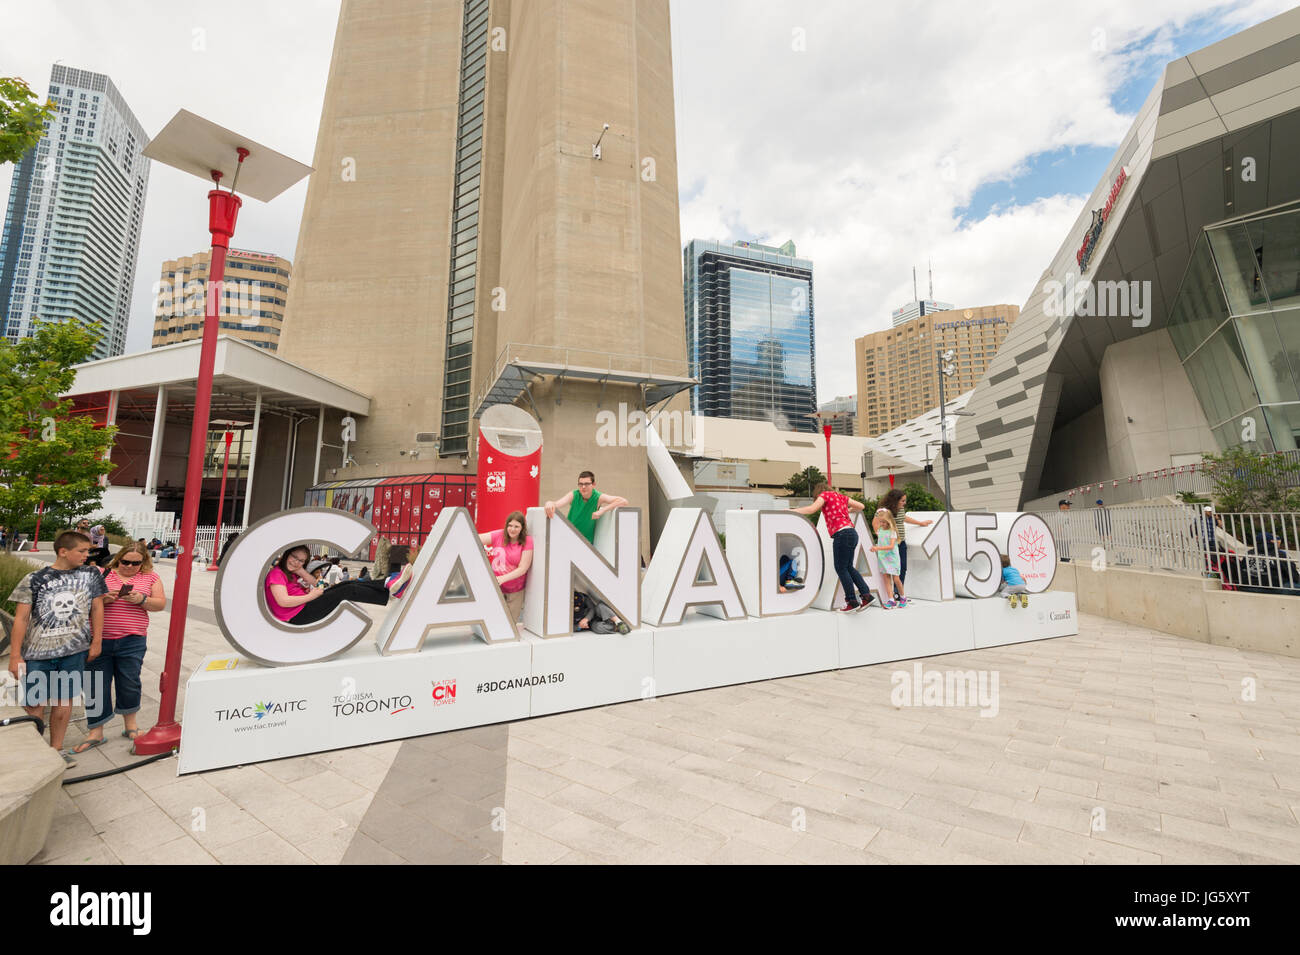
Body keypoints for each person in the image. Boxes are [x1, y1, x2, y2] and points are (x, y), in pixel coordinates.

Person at [6, 530, 107, 767]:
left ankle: (57, 748)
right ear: (63, 551)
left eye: (88, 551)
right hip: (38, 654)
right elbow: (21, 619)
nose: (86, 555)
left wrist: (97, 641)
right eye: (81, 551)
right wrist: (15, 654)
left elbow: (97, 608)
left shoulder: (91, 575)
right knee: (34, 704)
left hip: (73, 651)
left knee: (64, 701)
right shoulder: (33, 579)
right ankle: (36, 753)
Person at [74, 542, 166, 754]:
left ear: (143, 562)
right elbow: (80, 600)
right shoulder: (102, 573)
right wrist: (102, 601)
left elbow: (160, 604)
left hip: (132, 639)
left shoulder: (150, 577)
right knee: (96, 683)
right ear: (119, 558)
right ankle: (96, 731)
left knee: (130, 681)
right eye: (125, 562)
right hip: (99, 638)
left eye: (136, 563)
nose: (130, 566)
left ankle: (130, 726)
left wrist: (142, 599)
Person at [792, 481, 873, 612]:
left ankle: (852, 601)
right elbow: (861, 506)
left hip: (841, 534)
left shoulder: (824, 495)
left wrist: (792, 511)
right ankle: (866, 595)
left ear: (818, 493)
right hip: (852, 532)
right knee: (848, 567)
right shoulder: (840, 497)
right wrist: (848, 510)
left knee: (841, 568)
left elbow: (812, 509)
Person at [264, 545, 392, 626]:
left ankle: (386, 585)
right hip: (298, 615)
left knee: (346, 584)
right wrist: (311, 595)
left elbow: (315, 583)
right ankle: (389, 591)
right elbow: (283, 601)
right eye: (294, 557)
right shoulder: (276, 573)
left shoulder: (291, 573)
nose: (296, 562)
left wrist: (300, 570)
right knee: (348, 589)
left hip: (305, 607)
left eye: (301, 561)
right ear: (287, 554)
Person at [477, 510, 533, 621]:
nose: (512, 529)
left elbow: (523, 568)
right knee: (491, 621)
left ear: (522, 527)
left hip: (515, 590)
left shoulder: (527, 541)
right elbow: (475, 538)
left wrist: (502, 579)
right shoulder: (499, 535)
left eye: (516, 526)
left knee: (510, 624)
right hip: (496, 588)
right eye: (510, 525)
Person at [544, 471, 628, 544]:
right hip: (568, 537)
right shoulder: (574, 494)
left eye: (587, 484)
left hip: (586, 543)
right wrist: (549, 503)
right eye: (580, 484)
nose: (583, 487)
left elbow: (623, 501)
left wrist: (602, 511)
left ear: (593, 484)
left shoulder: (598, 497)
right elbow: (556, 504)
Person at [880, 488, 932, 601]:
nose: (905, 503)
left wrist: (920, 523)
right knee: (890, 570)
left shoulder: (901, 509)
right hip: (891, 544)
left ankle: (898, 593)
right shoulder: (885, 511)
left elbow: (904, 518)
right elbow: (877, 524)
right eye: (902, 501)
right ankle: (891, 595)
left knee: (902, 567)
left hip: (901, 542)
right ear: (895, 500)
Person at [871, 508, 904, 609]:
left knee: (896, 578)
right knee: (886, 578)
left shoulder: (892, 531)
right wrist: (877, 513)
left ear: (889, 521)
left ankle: (903, 597)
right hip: (883, 558)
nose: (882, 524)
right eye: (881, 522)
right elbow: (874, 523)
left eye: (884, 522)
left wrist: (877, 548)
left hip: (892, 558)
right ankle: (891, 600)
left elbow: (891, 546)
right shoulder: (880, 530)